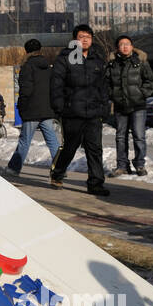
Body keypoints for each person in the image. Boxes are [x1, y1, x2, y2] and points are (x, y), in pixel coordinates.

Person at [49, 24, 109, 196]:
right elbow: (56, 85)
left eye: (88, 37)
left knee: (95, 148)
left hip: (93, 112)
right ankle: (58, 173)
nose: (85, 39)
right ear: (74, 39)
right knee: (70, 147)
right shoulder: (65, 58)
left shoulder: (97, 59)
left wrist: (104, 107)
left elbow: (103, 87)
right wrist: (59, 107)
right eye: (81, 36)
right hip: (72, 112)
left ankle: (96, 183)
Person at [6, 38, 60, 175]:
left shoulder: (27, 67)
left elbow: (26, 90)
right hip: (47, 110)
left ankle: (13, 168)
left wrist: (22, 107)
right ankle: (59, 169)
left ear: (27, 51)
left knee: (24, 142)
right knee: (52, 141)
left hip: (32, 111)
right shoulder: (48, 67)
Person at [106, 35, 153, 177]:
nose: (125, 46)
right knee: (120, 137)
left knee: (139, 136)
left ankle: (140, 164)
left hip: (138, 105)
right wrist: (113, 95)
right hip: (120, 106)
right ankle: (122, 166)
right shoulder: (112, 64)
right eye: (121, 44)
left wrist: (141, 93)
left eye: (127, 44)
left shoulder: (141, 61)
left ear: (132, 46)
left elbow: (150, 80)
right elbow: (106, 83)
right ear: (117, 48)